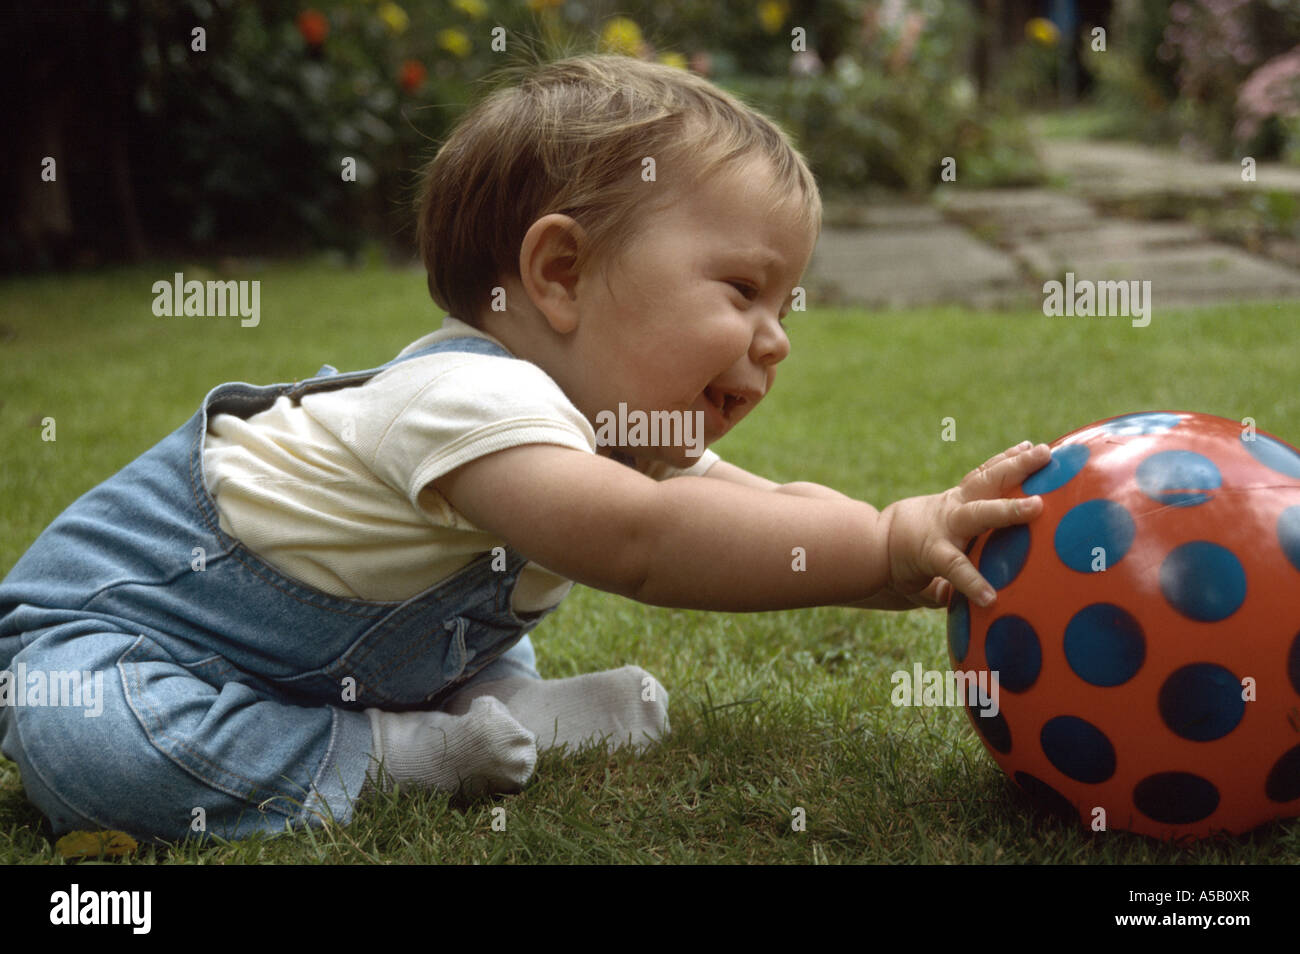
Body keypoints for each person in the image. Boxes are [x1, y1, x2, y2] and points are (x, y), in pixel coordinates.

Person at [0, 53, 1048, 842]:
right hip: (126, 646)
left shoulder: (614, 430)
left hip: (348, 660)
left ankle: (513, 709)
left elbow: (762, 514)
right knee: (87, 744)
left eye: (785, 302)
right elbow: (646, 541)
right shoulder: (462, 397)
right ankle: (398, 758)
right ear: (556, 273)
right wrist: (882, 541)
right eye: (741, 289)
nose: (776, 338)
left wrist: (914, 559)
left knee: (485, 618)